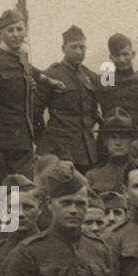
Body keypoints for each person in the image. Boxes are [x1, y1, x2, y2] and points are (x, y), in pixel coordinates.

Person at [0, 9, 66, 185]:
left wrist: (48, 81)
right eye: (10, 30)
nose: (16, 35)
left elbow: (28, 69)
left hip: (22, 142)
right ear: (0, 34)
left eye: (19, 29)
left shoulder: (20, 55)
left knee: (24, 193)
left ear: (25, 31)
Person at [39, 25, 102, 169]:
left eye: (82, 47)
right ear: (63, 48)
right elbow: (36, 112)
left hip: (86, 151)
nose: (79, 52)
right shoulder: (51, 75)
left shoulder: (90, 76)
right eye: (73, 47)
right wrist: (45, 142)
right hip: (59, 151)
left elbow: (92, 111)